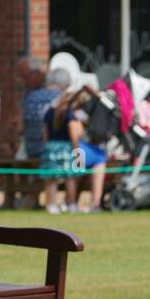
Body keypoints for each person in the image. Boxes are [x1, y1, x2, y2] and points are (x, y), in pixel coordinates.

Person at [40, 85, 106, 213]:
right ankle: (71, 205)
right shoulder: (69, 113)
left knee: (51, 179)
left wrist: (46, 147)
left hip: (51, 147)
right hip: (67, 147)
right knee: (71, 178)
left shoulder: (51, 111)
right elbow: (74, 136)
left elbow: (45, 133)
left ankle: (51, 205)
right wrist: (78, 155)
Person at [22, 64, 64, 160]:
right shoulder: (62, 98)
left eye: (26, 77)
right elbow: (76, 139)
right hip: (56, 153)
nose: (24, 81)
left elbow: (20, 126)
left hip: (32, 151)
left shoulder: (30, 97)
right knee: (97, 158)